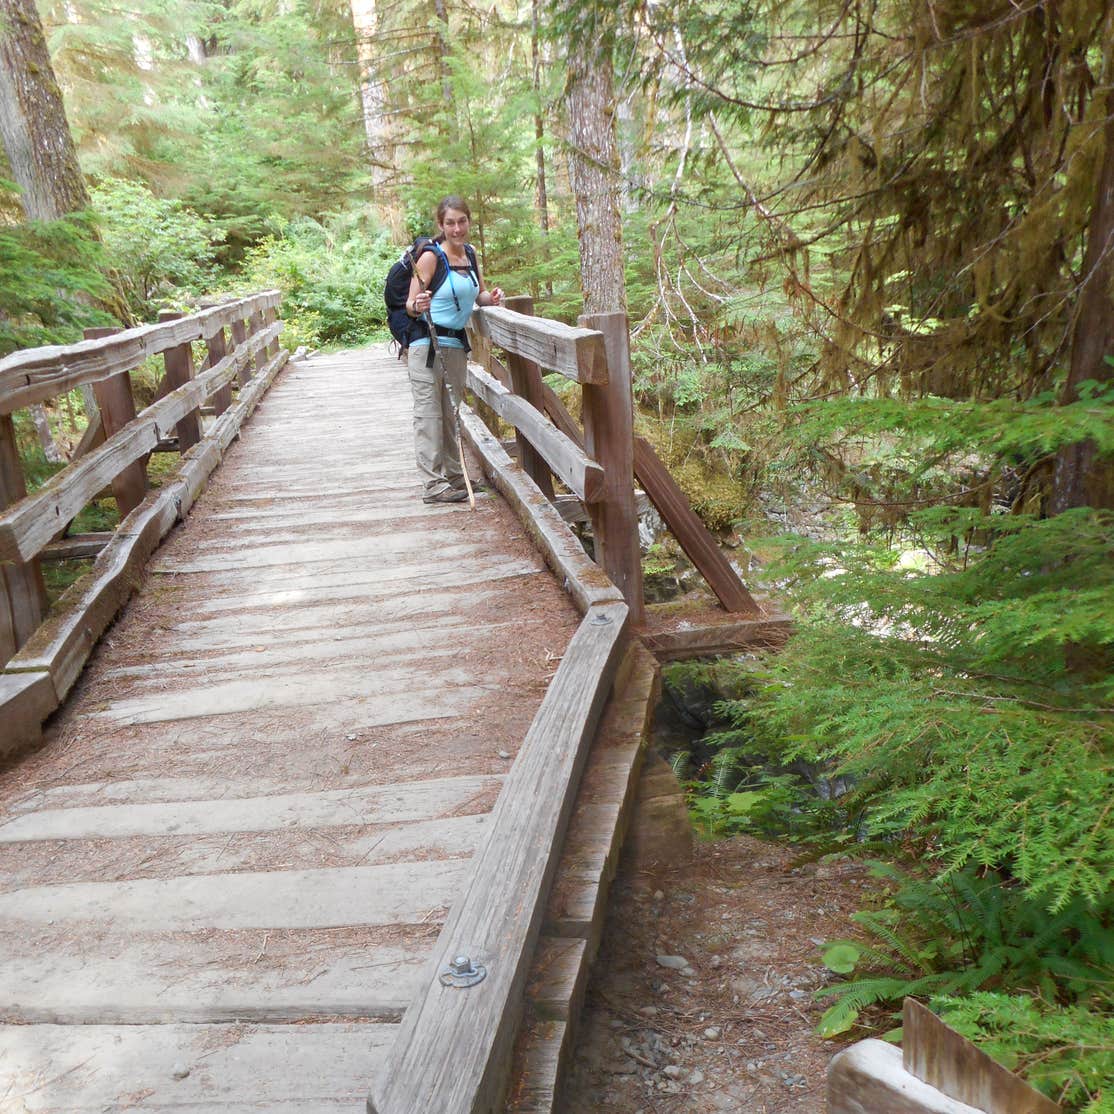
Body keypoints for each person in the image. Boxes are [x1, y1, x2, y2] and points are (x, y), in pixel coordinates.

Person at [405, 196, 503, 503]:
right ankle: (433, 485)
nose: (457, 229)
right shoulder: (431, 258)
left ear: (469, 222)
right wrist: (418, 304)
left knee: (451, 413)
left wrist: (491, 298)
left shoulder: (471, 255)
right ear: (440, 225)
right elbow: (410, 304)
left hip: (457, 346)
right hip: (427, 345)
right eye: (450, 223)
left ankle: (453, 475)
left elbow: (479, 293)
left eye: (462, 221)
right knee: (429, 415)